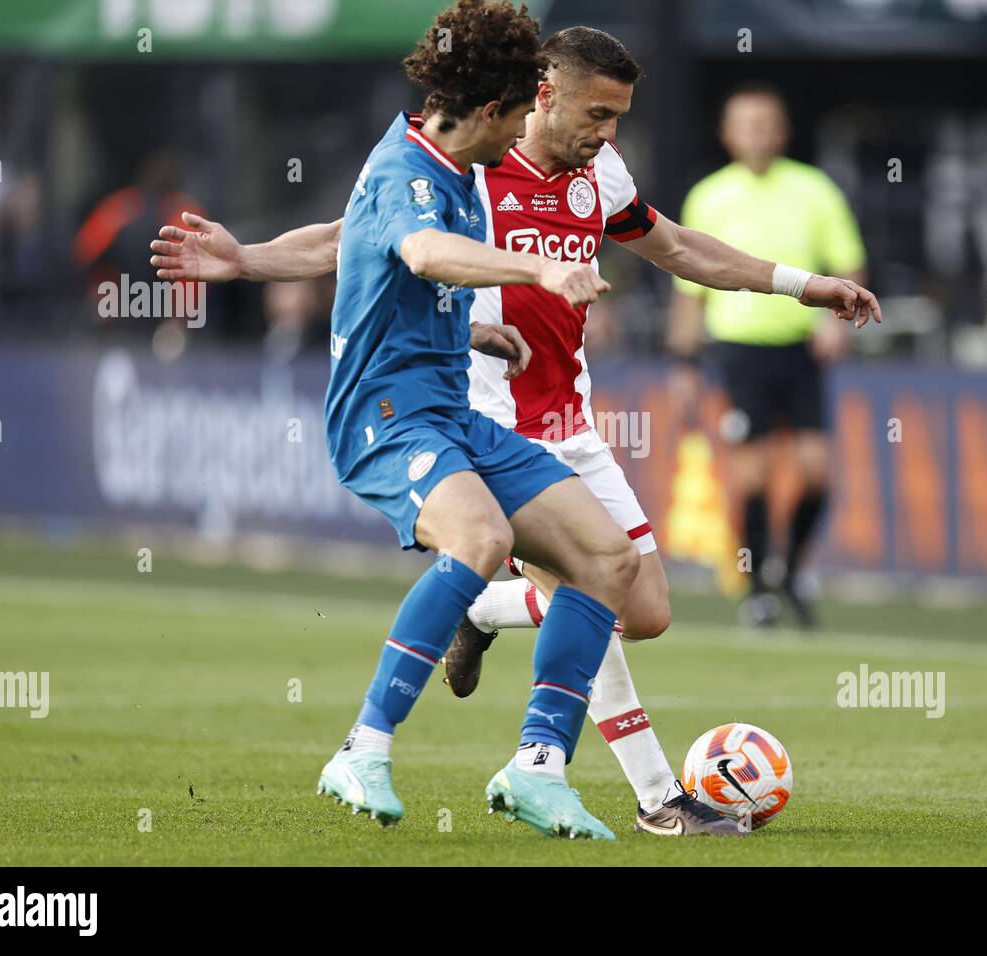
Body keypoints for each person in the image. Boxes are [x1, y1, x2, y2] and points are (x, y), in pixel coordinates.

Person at [151, 27, 879, 837]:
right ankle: (651, 796)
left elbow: (676, 248)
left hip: (569, 417)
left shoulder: (598, 172)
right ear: (542, 95)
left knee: (641, 604)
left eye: (619, 116)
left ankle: (488, 612)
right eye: (598, 112)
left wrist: (800, 285)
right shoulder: (466, 164)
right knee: (582, 583)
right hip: (483, 416)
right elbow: (354, 238)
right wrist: (247, 260)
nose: (609, 132)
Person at [249, 0, 650, 841]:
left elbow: (368, 257)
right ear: (499, 107)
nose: (522, 143)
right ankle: (362, 748)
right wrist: (540, 269)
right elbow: (425, 254)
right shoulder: (409, 169)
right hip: (386, 417)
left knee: (607, 560)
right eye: (519, 120)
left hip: (451, 412)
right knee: (481, 540)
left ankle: (539, 765)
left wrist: (467, 327)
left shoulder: (460, 169)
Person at [669, 83, 869, 629]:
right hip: (737, 351)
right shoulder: (709, 195)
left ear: (782, 131)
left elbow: (849, 262)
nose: (757, 133)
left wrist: (838, 324)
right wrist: (684, 362)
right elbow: (690, 284)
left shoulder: (814, 189)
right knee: (750, 476)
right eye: (745, 123)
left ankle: (790, 568)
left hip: (799, 349)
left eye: (767, 123)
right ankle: (758, 587)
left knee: (817, 472)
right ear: (727, 133)